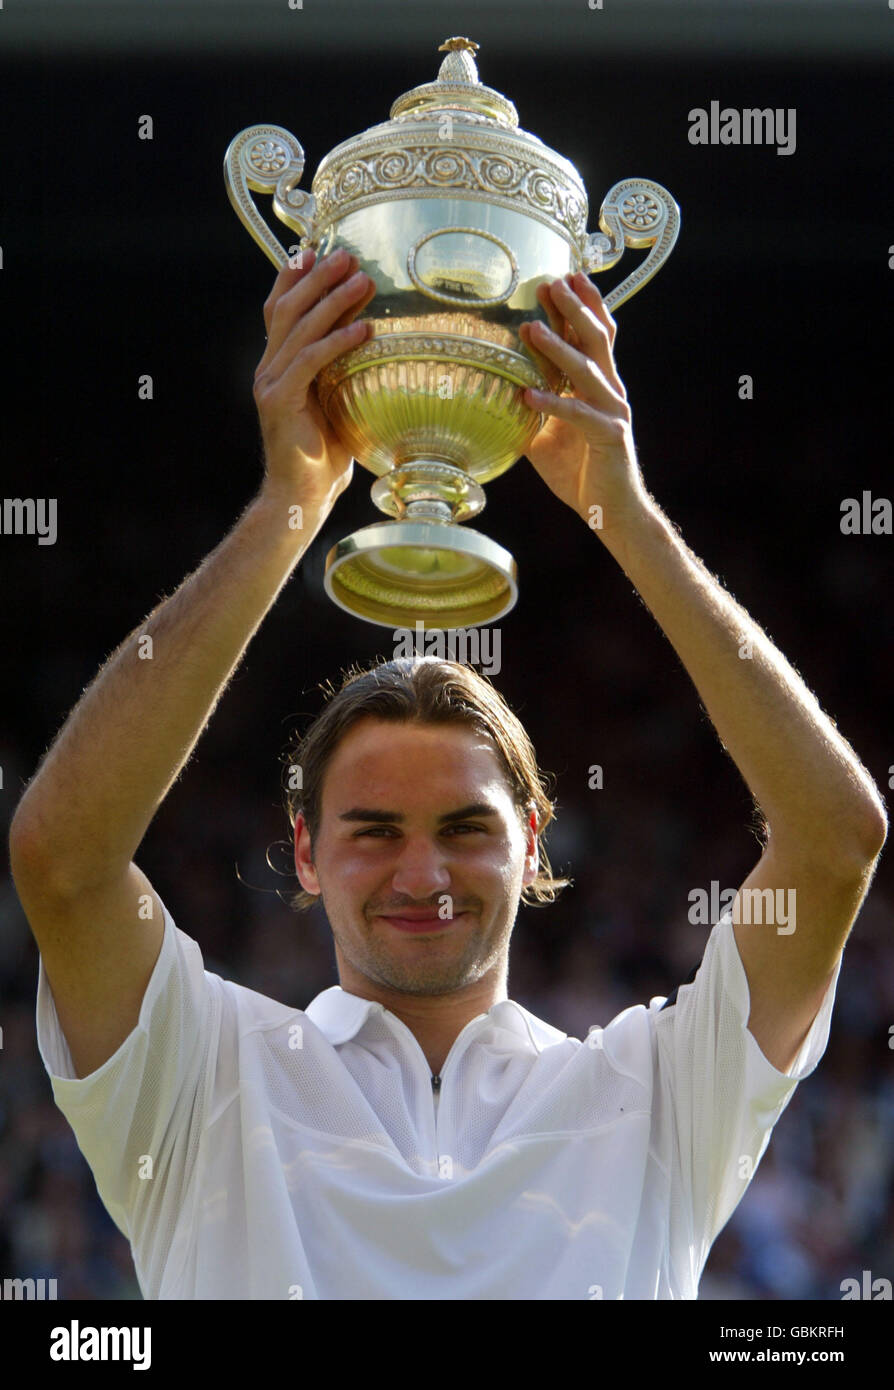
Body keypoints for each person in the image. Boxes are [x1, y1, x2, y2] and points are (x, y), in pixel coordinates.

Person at [9, 248, 887, 1299]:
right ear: (305, 848)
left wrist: (626, 512)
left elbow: (835, 840)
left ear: (532, 839)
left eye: (465, 828)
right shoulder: (202, 1074)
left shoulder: (653, 1095)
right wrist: (291, 501)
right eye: (374, 828)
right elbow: (63, 860)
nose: (421, 872)